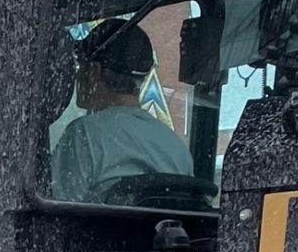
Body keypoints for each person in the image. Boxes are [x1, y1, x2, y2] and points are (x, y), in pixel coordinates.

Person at [49, 20, 194, 204]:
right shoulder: (177, 148)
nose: (77, 75)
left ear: (94, 71)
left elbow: (58, 213)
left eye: (80, 66)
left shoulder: (84, 134)